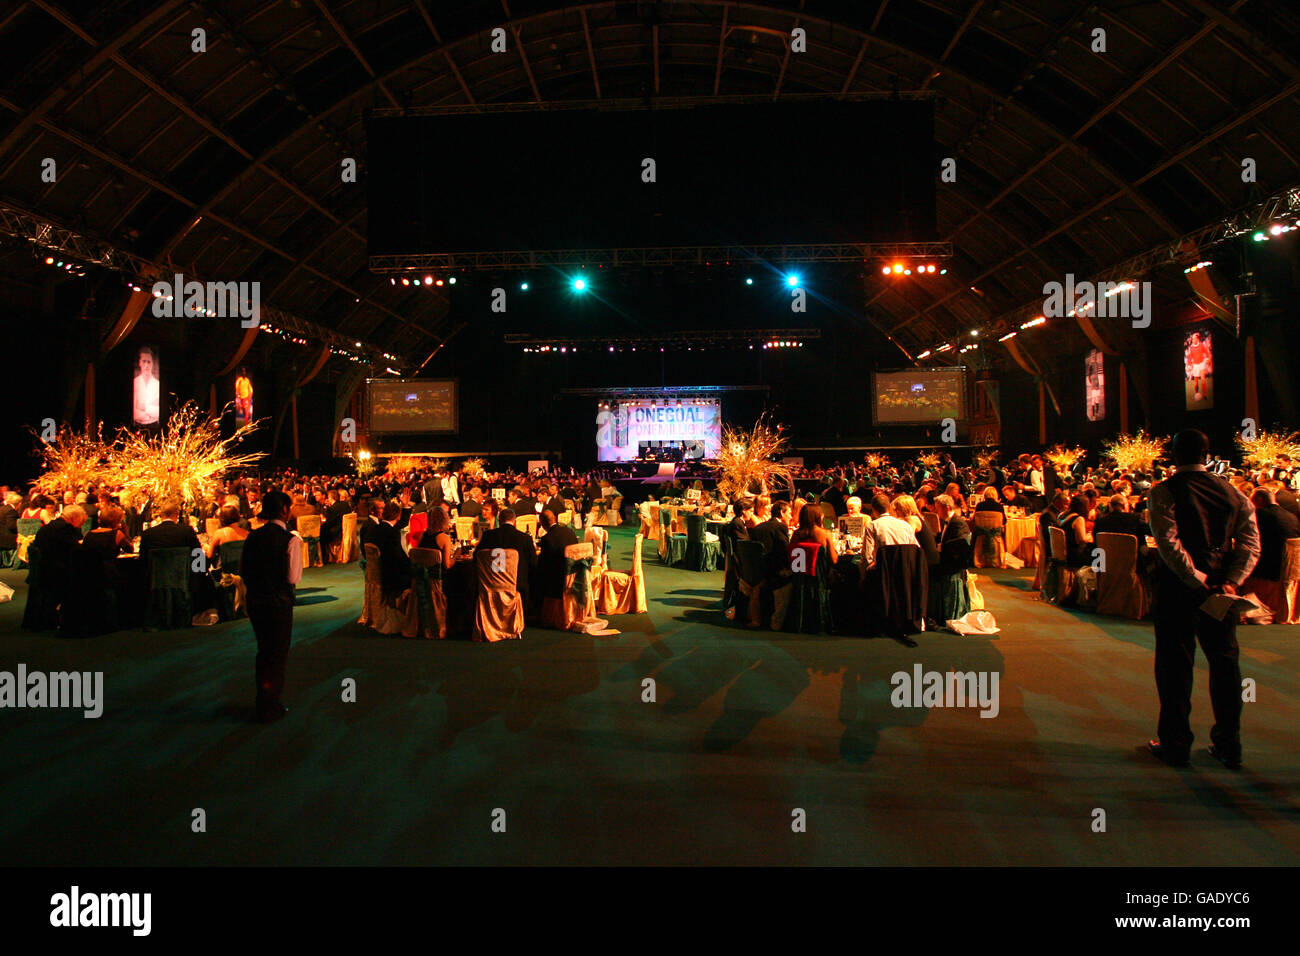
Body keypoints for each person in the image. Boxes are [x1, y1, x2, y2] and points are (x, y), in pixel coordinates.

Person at [1147, 429, 1259, 770]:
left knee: (1175, 666)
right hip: (1221, 589)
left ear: (1174, 455)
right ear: (1207, 454)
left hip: (1178, 588)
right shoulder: (1234, 493)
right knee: (1226, 666)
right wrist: (1230, 581)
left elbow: (1167, 542)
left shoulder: (1164, 491)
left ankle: (1175, 744)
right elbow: (1251, 544)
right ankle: (1228, 744)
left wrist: (1197, 578)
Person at [241, 491, 302, 723]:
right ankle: (271, 704)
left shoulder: (252, 537)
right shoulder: (291, 539)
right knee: (277, 654)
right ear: (284, 510)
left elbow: (245, 570)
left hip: (256, 601)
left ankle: (263, 700)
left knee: (263, 651)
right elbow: (294, 577)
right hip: (278, 603)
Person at [476, 508, 536, 608]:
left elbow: (476, 557)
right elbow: (533, 563)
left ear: (499, 521)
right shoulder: (525, 538)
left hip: (491, 582)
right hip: (517, 584)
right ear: (514, 521)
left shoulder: (488, 536)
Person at [534, 509, 578, 613]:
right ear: (555, 519)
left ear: (543, 524)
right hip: (575, 573)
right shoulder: (570, 532)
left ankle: (537, 610)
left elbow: (543, 564)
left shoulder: (547, 538)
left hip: (557, 579)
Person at [416, 506, 457, 571]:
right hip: (438, 578)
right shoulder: (445, 538)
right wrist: (456, 554)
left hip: (422, 577)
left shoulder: (422, 536)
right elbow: (447, 565)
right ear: (444, 520)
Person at [133, 347, 160, 425]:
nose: (146, 365)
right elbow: (134, 413)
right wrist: (149, 414)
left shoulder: (157, 384)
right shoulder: (135, 382)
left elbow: (158, 412)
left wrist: (144, 407)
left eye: (149, 362)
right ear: (139, 363)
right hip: (137, 425)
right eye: (144, 361)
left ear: (152, 364)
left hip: (154, 424)